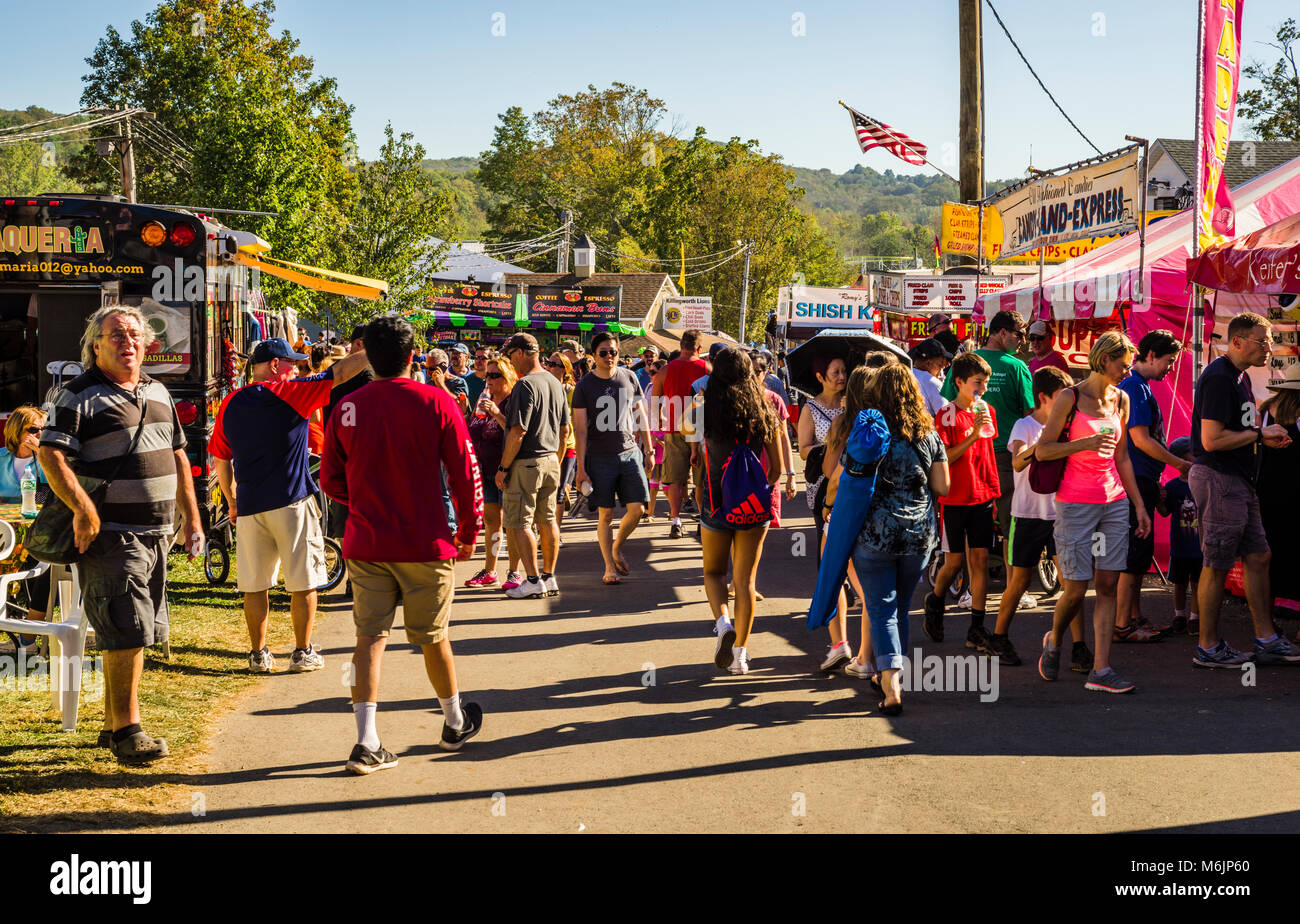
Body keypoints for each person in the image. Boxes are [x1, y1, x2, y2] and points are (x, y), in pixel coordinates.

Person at [38, 305, 203, 764]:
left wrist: (192, 517)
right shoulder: (79, 395)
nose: (127, 342)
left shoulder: (158, 392)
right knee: (127, 627)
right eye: (115, 335)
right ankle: (130, 731)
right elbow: (50, 455)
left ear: (147, 344)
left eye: (134, 334)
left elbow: (177, 458)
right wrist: (83, 508)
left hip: (156, 532)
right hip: (112, 534)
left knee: (133, 628)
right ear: (96, 345)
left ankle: (114, 726)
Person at [320, 316, 484, 773]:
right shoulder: (438, 401)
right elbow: (466, 473)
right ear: (414, 357)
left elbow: (330, 479)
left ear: (366, 358)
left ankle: (366, 740)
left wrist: (366, 501)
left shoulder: (347, 407)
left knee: (369, 637)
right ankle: (453, 722)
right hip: (424, 541)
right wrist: (469, 532)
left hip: (366, 541)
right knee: (433, 637)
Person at [210, 336, 371, 674]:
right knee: (304, 581)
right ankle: (302, 651)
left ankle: (258, 654)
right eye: (291, 363)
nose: (297, 368)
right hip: (292, 503)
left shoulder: (231, 403)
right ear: (274, 366)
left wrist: (231, 501)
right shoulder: (292, 392)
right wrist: (380, 348)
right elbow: (340, 373)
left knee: (254, 585)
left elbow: (221, 460)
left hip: (251, 507)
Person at [1034, 331, 1152, 693]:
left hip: (1113, 501)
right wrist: (1083, 443)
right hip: (1075, 503)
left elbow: (1122, 457)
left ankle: (1101, 670)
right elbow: (1043, 451)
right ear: (1104, 360)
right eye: (1122, 364)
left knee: (1107, 585)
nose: (1126, 370)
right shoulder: (1070, 397)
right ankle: (1054, 640)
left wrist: (1140, 506)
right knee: (1075, 587)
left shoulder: (1123, 398)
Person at [1189, 312, 1298, 667]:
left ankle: (1266, 637)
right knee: (1217, 563)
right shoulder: (1220, 378)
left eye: (1269, 341)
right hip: (1220, 479)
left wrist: (1263, 439)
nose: (1268, 348)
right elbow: (1211, 439)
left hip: (1238, 481)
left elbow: (1239, 432)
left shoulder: (1238, 377)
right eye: (1261, 341)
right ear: (1237, 341)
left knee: (1259, 556)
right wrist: (1260, 435)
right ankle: (1208, 647)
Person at [852, 363, 950, 714]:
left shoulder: (870, 433)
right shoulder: (930, 435)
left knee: (881, 609)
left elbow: (849, 482)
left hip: (875, 535)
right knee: (900, 609)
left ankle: (890, 685)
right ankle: (894, 675)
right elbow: (943, 486)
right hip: (917, 537)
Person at [988, 367, 1093, 670]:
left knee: (1072, 583)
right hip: (1028, 514)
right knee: (1019, 581)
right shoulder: (1025, 425)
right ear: (1044, 398)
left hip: (1062, 513)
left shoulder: (1070, 426)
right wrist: (1045, 444)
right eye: (1063, 396)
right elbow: (1019, 462)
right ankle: (999, 637)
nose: (1069, 403)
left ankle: (1079, 647)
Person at [697, 349, 781, 675]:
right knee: (745, 581)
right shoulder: (764, 410)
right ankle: (740, 656)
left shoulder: (705, 410)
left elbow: (696, 454)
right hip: (752, 507)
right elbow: (777, 466)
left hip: (716, 502)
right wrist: (761, 490)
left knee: (713, 573)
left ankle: (722, 623)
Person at [940, 309, 1033, 563]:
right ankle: (1014, 583)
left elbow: (947, 401)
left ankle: (970, 585)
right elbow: (1029, 414)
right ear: (1002, 332)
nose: (1023, 341)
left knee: (971, 526)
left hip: (966, 454)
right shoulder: (1017, 367)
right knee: (1010, 525)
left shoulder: (966, 361)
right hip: (1003, 455)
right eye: (1020, 335)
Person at [1115, 330, 1188, 641]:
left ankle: (1133, 618)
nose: (1171, 367)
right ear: (1151, 355)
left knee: (1138, 554)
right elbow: (1140, 440)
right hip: (1136, 479)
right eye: (1170, 361)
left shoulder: (1139, 386)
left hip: (1143, 478)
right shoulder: (1135, 386)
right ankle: (1123, 624)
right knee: (1134, 555)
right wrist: (1180, 463)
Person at [926, 351, 1000, 651]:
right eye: (977, 383)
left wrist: (993, 486)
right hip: (955, 497)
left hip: (982, 493)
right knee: (954, 563)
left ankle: (977, 628)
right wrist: (970, 437)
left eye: (985, 383)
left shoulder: (987, 410)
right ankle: (935, 600)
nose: (982, 389)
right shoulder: (945, 415)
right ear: (958, 382)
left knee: (980, 561)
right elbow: (943, 458)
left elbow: (988, 451)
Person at [572, 332, 654, 585]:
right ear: (593, 355)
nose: (610, 357)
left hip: (630, 453)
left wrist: (648, 450)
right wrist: (581, 468)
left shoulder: (629, 377)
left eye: (614, 352)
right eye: (604, 352)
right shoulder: (585, 385)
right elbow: (581, 430)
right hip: (600, 458)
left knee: (638, 508)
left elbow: (640, 414)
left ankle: (617, 546)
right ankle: (609, 566)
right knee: (605, 515)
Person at [496, 333, 569, 599]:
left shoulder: (525, 385)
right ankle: (548, 578)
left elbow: (517, 431)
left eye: (511, 355)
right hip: (550, 459)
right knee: (548, 520)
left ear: (522, 353)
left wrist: (503, 468)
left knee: (518, 522)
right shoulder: (554, 381)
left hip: (527, 461)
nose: (510, 361)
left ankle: (533, 579)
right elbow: (565, 430)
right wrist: (557, 463)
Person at [818, 367, 876, 675]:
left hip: (841, 509)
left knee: (833, 578)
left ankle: (840, 644)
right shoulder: (885, 424)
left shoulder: (842, 423)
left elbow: (831, 471)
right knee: (868, 585)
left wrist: (827, 502)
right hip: (875, 511)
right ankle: (869, 651)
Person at [323, 325, 374, 600]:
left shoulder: (334, 375)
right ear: (357, 344)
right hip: (359, 461)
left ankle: (357, 579)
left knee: (347, 524)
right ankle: (362, 579)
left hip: (344, 460)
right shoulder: (371, 375)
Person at [465, 357, 523, 588]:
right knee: (491, 522)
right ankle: (490, 570)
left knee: (511, 524)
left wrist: (497, 413)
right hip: (484, 469)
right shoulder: (484, 397)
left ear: (507, 376)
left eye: (494, 375)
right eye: (487, 375)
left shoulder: (512, 400)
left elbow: (516, 430)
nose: (488, 379)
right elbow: (474, 425)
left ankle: (514, 571)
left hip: (506, 470)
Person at [0, 406, 51, 646]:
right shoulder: (1, 459)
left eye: (43, 429)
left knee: (46, 567)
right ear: (17, 431)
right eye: (34, 429)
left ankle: (27, 636)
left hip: (39, 532)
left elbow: (53, 495)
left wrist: (42, 455)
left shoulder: (48, 460)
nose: (39, 434)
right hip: (5, 532)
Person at [651, 329, 709, 539]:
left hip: (675, 429)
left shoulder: (666, 370)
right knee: (701, 480)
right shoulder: (706, 368)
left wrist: (659, 420)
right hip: (701, 431)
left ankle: (676, 521)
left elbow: (655, 398)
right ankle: (704, 521)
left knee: (675, 480)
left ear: (681, 346)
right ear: (699, 348)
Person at [1257, 365, 1300, 613]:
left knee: (1270, 551)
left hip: (1268, 490)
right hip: (1296, 490)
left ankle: (1269, 616)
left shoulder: (1265, 411)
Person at [796, 354, 847, 548]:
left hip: (849, 479)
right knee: (825, 541)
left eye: (843, 371)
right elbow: (803, 450)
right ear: (820, 377)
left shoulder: (853, 404)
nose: (842, 376)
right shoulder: (810, 409)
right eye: (835, 372)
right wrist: (831, 447)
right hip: (822, 484)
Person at [1159, 437, 1202, 636]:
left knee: (1198, 583)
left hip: (1200, 546)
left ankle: (1195, 616)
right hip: (1180, 546)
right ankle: (1179, 615)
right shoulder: (1173, 486)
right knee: (1179, 582)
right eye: (1193, 455)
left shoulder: (1203, 483)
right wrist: (1157, 498)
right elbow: (1164, 511)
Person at [543, 352, 579, 528]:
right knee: (544, 490)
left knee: (558, 490)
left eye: (555, 364)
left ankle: (555, 533)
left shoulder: (570, 391)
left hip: (567, 446)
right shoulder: (542, 386)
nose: (550, 367)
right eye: (549, 363)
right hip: (544, 446)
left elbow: (578, 420)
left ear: (565, 370)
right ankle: (543, 529)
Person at [909, 337, 952, 417]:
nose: (942, 368)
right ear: (928, 363)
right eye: (940, 365)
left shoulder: (907, 373)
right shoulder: (932, 382)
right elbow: (947, 418)